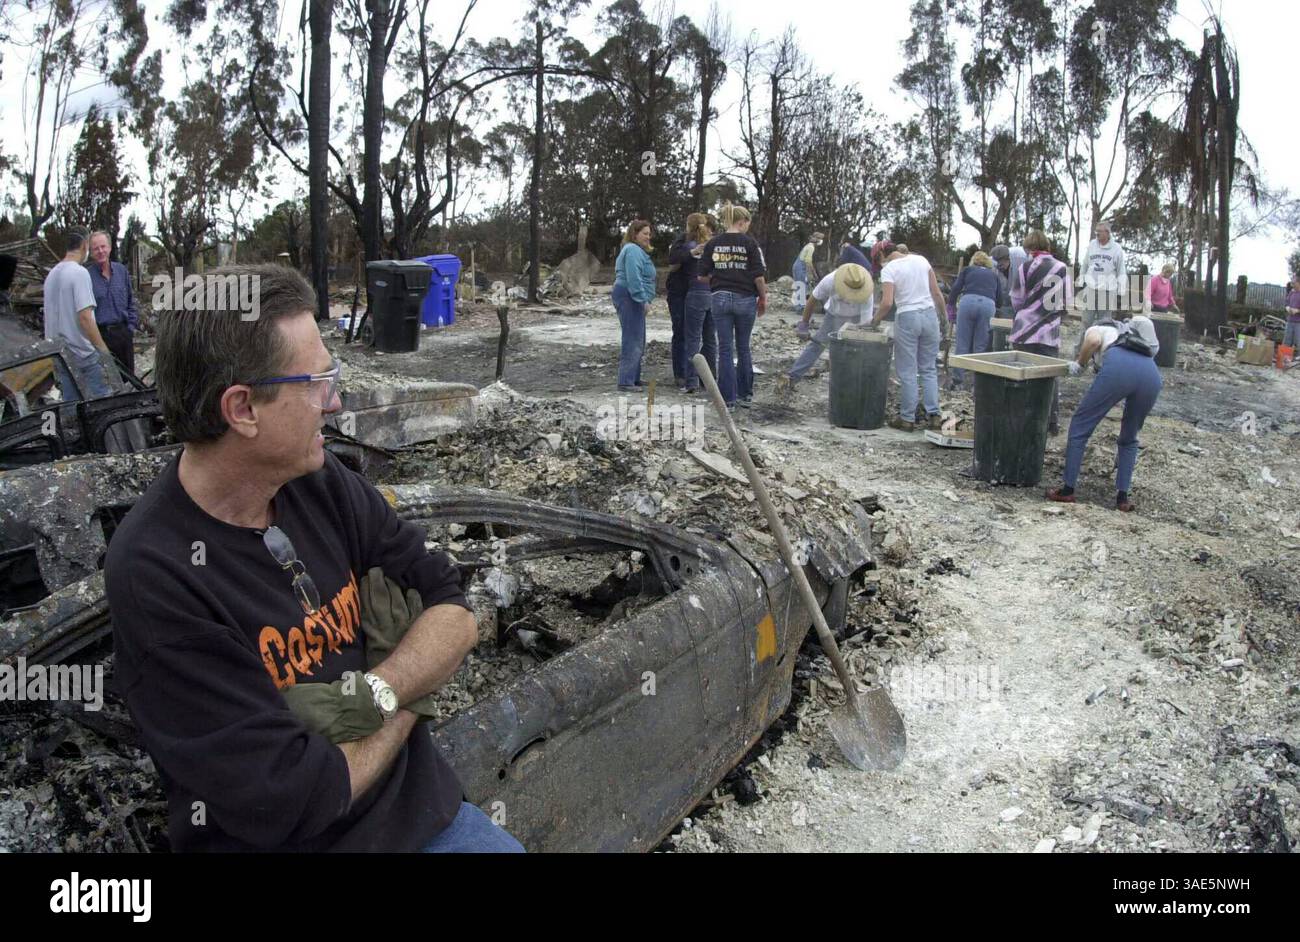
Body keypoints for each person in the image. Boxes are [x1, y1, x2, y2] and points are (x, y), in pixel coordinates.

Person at [104, 263, 522, 852]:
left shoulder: (321, 482)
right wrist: (408, 694)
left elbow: (452, 608)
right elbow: (298, 800)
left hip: (420, 819)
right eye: (318, 380)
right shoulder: (158, 575)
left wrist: (369, 696)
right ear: (243, 408)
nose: (334, 400)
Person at [1048, 314, 1162, 513]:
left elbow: (1092, 341)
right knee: (1129, 437)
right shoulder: (1129, 335)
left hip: (1118, 367)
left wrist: (1080, 363)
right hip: (1151, 375)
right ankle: (1122, 498)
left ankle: (1067, 490)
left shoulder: (1098, 328)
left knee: (1080, 425)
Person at [869, 245, 947, 431]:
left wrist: (875, 321)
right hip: (929, 316)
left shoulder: (889, 269)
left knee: (908, 371)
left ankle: (907, 418)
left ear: (881, 255)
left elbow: (887, 302)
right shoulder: (921, 260)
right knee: (928, 368)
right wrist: (943, 317)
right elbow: (936, 293)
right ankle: (934, 416)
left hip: (907, 317)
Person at [699, 203, 767, 410]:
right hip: (745, 298)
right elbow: (758, 276)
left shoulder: (713, 243)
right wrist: (762, 298)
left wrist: (719, 280)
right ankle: (745, 395)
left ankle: (727, 399)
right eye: (748, 223)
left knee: (725, 349)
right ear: (742, 222)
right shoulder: (750, 243)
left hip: (719, 298)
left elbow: (701, 275)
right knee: (743, 347)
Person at [43, 227, 118, 402]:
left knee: (73, 408)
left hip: (59, 356)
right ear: (85, 245)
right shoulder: (79, 273)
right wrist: (103, 350)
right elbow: (85, 318)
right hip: (82, 356)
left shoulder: (51, 275)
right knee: (103, 406)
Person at [1009, 230, 1072, 436]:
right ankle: (1050, 421)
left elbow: (1017, 298)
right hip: (1048, 331)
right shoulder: (1062, 268)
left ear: (1029, 248)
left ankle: (1022, 417)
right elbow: (1067, 301)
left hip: (1024, 330)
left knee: (1022, 372)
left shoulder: (1024, 267)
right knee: (1049, 376)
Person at [785, 263, 875, 385]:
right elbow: (812, 300)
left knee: (853, 350)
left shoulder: (867, 292)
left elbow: (865, 323)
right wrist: (804, 325)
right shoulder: (830, 280)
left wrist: (855, 337)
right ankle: (792, 377)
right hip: (833, 316)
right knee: (817, 345)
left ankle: (850, 381)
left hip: (855, 319)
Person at [946, 251, 1009, 390]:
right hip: (987, 304)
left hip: (967, 302)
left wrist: (950, 306)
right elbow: (999, 300)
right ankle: (977, 385)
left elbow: (956, 289)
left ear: (973, 261)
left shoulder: (967, 270)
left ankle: (957, 382)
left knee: (962, 343)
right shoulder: (994, 275)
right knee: (980, 346)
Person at [86, 230, 139, 377]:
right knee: (106, 380)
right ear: (91, 252)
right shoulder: (86, 277)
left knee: (128, 380)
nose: (100, 251)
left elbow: (131, 301)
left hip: (123, 335)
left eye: (103, 246)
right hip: (101, 337)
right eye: (96, 248)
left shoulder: (122, 271)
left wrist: (130, 328)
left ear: (109, 248)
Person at [612, 219, 657, 392]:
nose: (648, 237)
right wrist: (642, 299)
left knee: (639, 337)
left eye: (649, 233)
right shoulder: (632, 250)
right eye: (644, 233)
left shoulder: (637, 251)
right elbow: (633, 276)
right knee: (632, 338)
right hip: (630, 296)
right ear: (634, 234)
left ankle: (633, 377)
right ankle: (625, 381)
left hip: (632, 296)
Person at [676, 213, 719, 392]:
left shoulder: (691, 247)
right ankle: (710, 381)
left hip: (695, 293)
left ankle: (691, 381)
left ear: (689, 227)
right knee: (710, 340)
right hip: (713, 294)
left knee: (692, 338)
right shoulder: (714, 248)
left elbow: (676, 263)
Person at [1077, 221, 1127, 351]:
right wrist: (1080, 282)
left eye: (1099, 231)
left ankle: (1100, 357)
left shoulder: (1117, 249)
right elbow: (1085, 265)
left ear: (1107, 233)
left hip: (1108, 291)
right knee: (1086, 322)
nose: (1097, 233)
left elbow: (1121, 270)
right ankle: (1079, 353)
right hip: (1091, 289)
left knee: (1104, 325)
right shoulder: (1092, 245)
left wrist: (1121, 292)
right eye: (1096, 231)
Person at [792, 231, 824, 315]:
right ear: (817, 239)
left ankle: (798, 306)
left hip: (798, 266)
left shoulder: (808, 245)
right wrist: (814, 274)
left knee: (800, 286)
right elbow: (808, 261)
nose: (821, 241)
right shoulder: (811, 247)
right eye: (821, 239)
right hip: (800, 267)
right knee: (801, 287)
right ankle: (800, 308)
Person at [1285, 277, 1300, 351]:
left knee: (1298, 343)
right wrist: (1287, 308)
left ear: (1298, 283)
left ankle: (1298, 361)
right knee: (1286, 342)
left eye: (1293, 283)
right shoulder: (1291, 292)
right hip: (1290, 321)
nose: (1292, 285)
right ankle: (1284, 360)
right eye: (1292, 283)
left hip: (1299, 323)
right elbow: (1286, 302)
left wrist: (1297, 311)